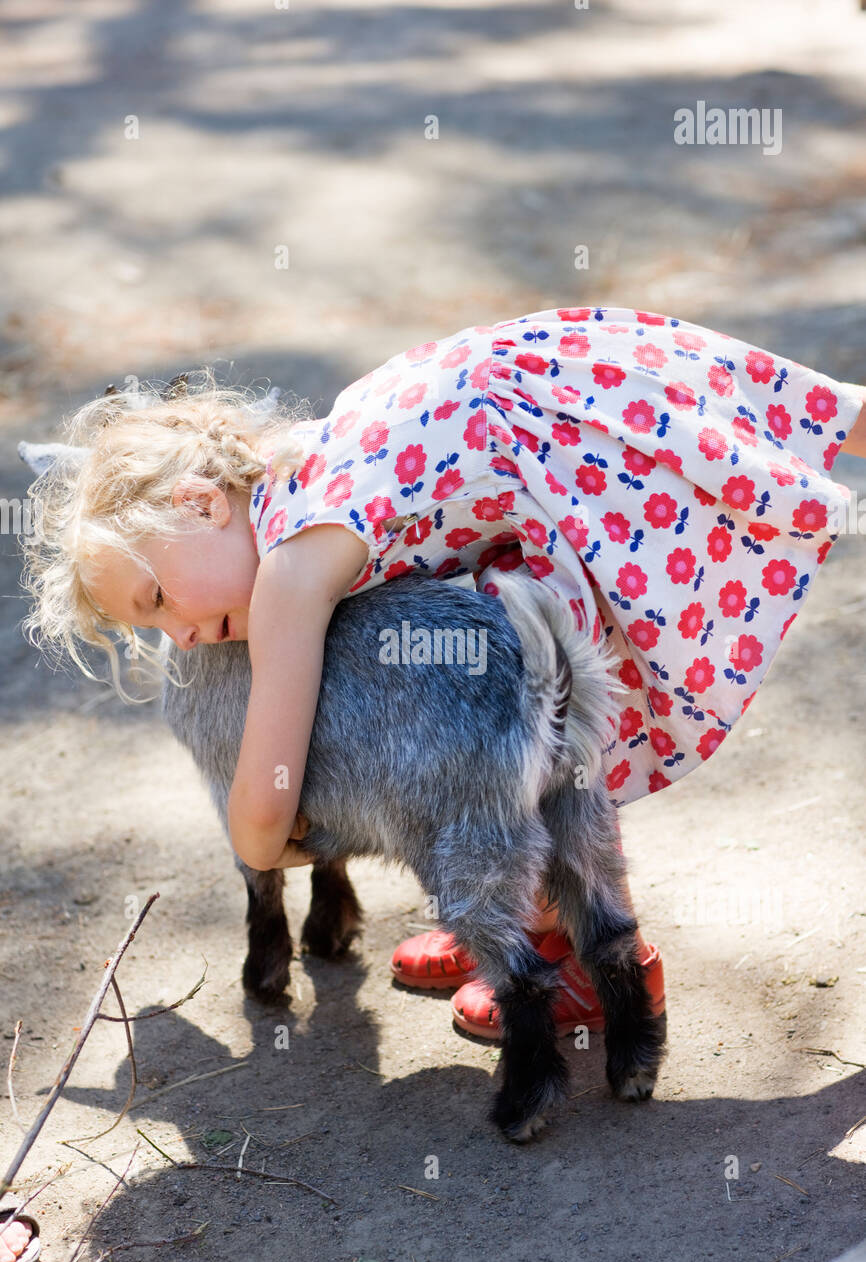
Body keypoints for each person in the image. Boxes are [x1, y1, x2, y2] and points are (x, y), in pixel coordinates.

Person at [21, 306, 866, 1042]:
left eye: (161, 596)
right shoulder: (280, 473)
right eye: (155, 624)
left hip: (569, 469)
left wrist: (260, 836)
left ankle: (590, 958)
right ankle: (503, 895)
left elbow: (265, 801)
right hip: (556, 378)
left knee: (557, 714)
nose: (184, 635)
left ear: (201, 503)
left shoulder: (287, 577)